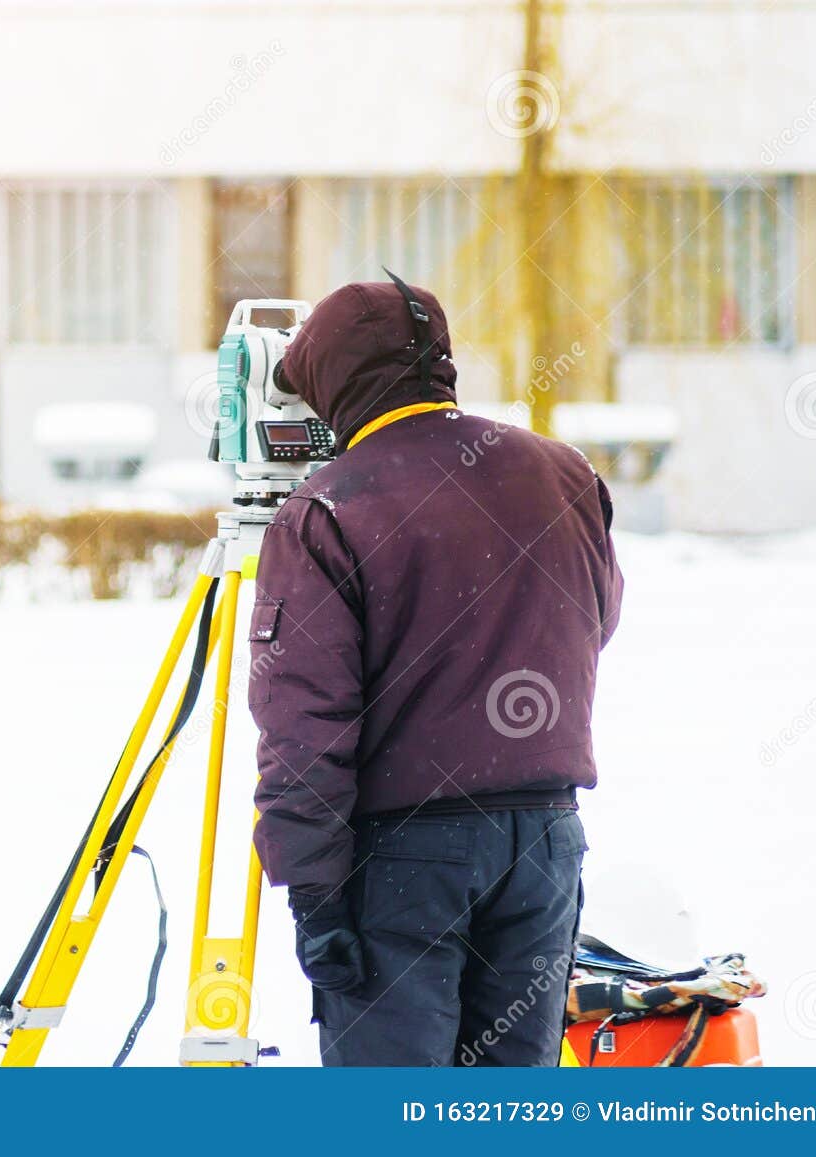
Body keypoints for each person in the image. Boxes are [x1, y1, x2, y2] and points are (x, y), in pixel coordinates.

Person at [246, 277, 624, 1066]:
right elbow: (592, 620)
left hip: (405, 859)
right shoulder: (565, 475)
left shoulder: (326, 509)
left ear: (332, 383)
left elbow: (303, 724)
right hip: (546, 846)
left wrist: (312, 891)